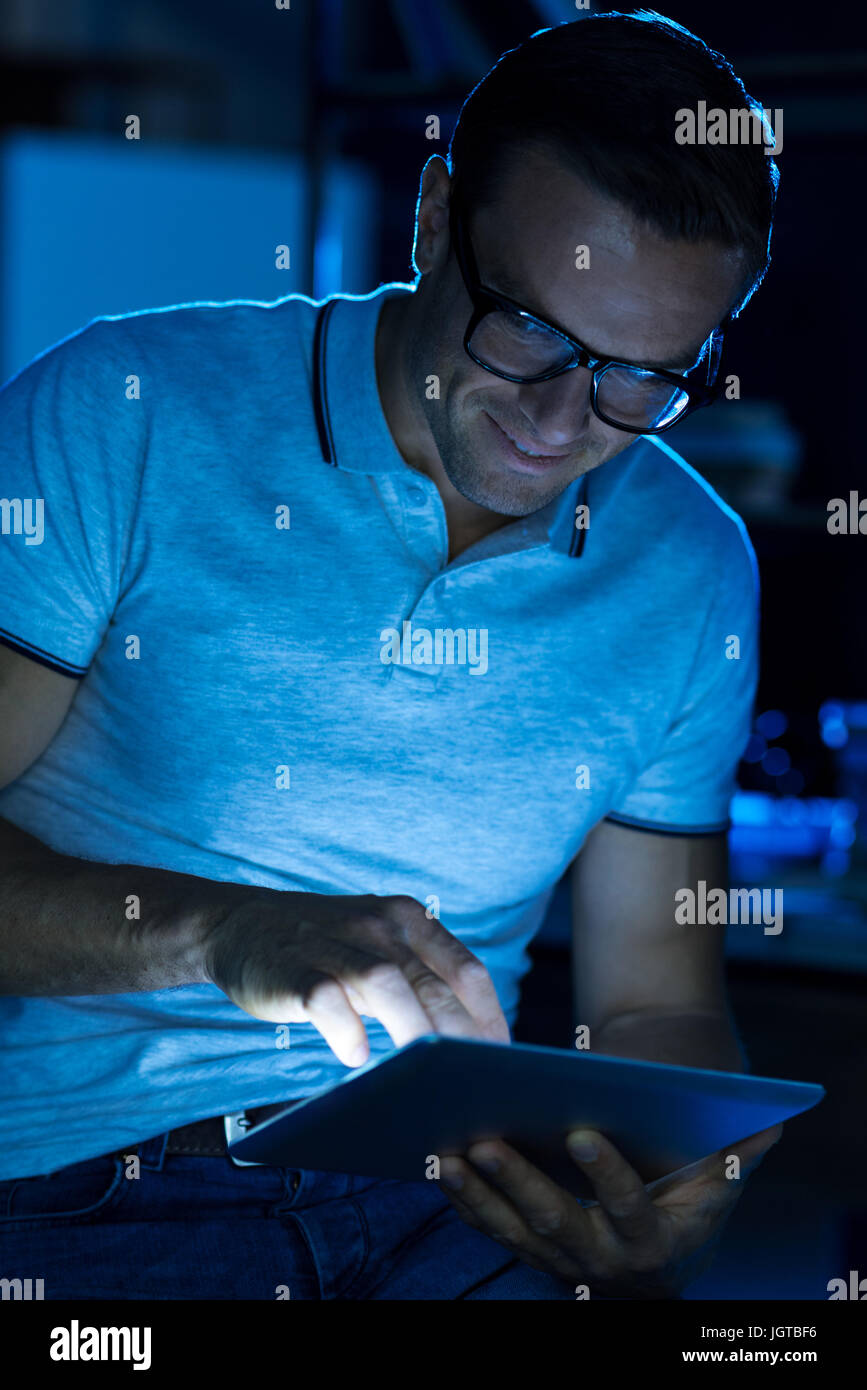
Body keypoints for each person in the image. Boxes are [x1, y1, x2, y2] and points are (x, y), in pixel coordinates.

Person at [0, 10, 782, 1300]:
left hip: (457, 1201)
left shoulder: (691, 569)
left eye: (640, 379)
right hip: (96, 1193)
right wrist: (227, 936)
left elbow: (654, 1005)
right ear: (433, 223)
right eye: (529, 330)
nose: (561, 423)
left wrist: (673, 1179)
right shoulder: (125, 410)